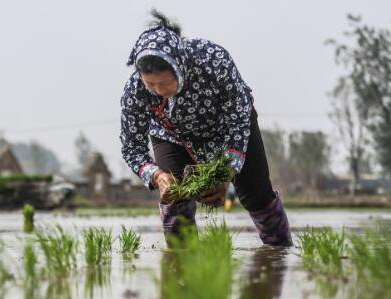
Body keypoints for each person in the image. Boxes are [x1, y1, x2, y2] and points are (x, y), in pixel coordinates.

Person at [120, 11, 291, 246]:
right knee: (175, 198)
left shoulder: (213, 60)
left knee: (256, 194)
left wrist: (226, 174)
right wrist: (157, 175)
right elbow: (132, 148)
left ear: (179, 67)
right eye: (151, 84)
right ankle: (181, 268)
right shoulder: (135, 91)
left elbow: (238, 117)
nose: (158, 90)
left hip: (229, 129)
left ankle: (279, 253)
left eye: (165, 82)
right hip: (172, 136)